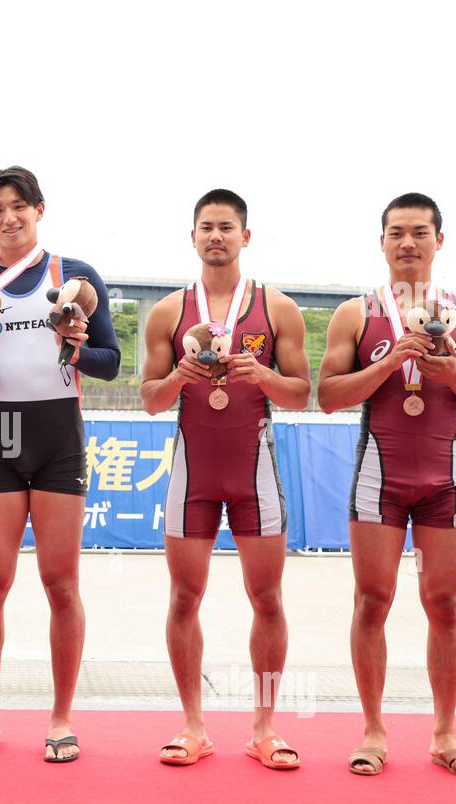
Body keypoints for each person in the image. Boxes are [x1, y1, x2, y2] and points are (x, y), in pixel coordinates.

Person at [318, 192, 456, 778]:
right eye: (396, 233)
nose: (407, 243)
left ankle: (445, 734)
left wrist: (452, 373)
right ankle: (373, 730)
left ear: (438, 241)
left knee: (444, 604)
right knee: (372, 602)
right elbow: (326, 398)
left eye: (419, 233)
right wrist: (385, 363)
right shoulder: (356, 313)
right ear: (381, 242)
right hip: (380, 480)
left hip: (445, 481)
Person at [0, 166, 120, 762]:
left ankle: (62, 718)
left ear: (39, 210)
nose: (9, 217)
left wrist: (70, 343)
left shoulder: (74, 277)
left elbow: (109, 363)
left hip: (57, 434)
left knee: (60, 582)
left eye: (19, 206)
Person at [139, 189, 311, 769]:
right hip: (193, 478)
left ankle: (264, 726)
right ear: (193, 237)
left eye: (227, 227)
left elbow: (302, 396)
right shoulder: (167, 312)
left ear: (246, 236)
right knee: (185, 597)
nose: (217, 236)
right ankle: (193, 726)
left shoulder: (277, 308)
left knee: (266, 598)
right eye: (206, 227)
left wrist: (260, 374)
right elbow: (150, 402)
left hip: (254, 476)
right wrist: (179, 377)